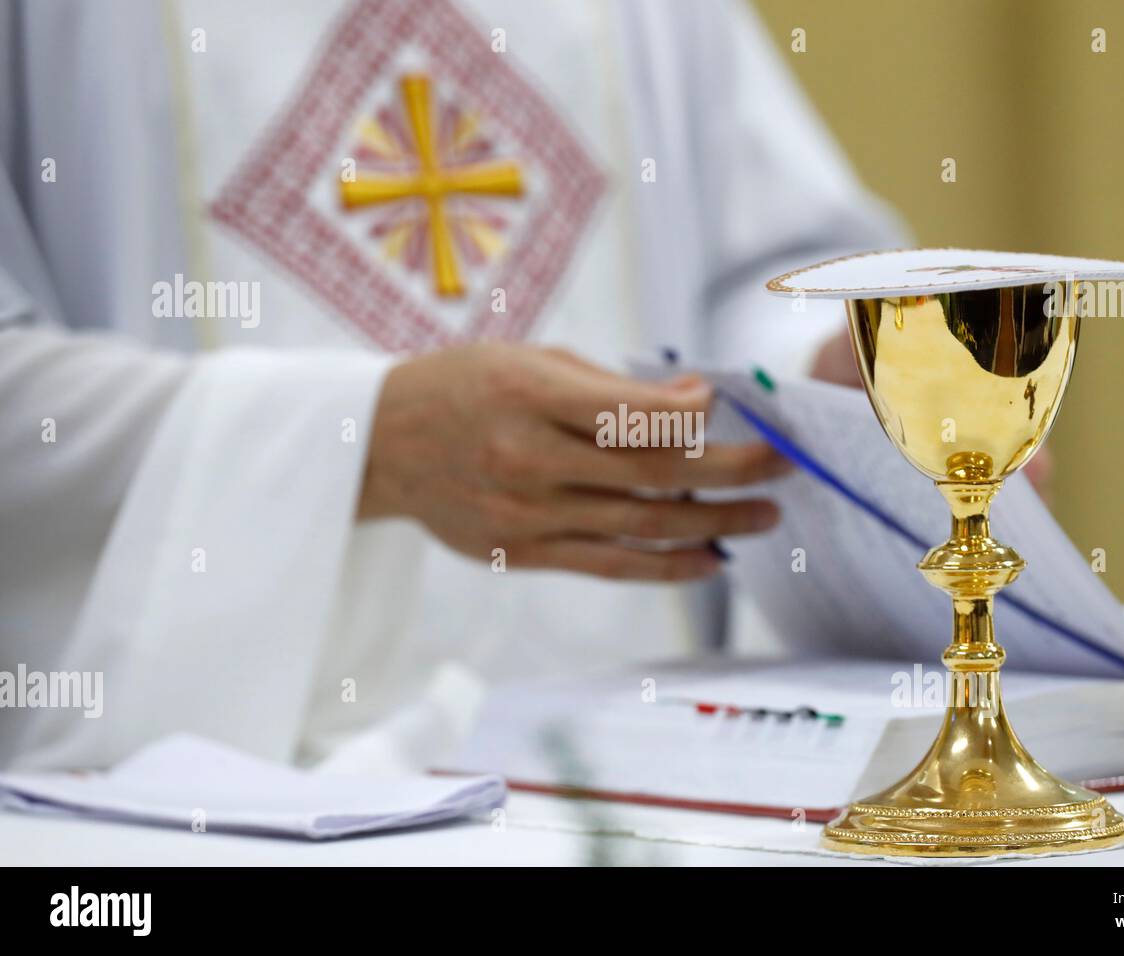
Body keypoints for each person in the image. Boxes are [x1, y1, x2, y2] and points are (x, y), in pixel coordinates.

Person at [0, 0, 907, 771]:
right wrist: (364, 440)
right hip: (212, 791)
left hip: (652, 773)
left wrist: (815, 381)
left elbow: (756, 261)